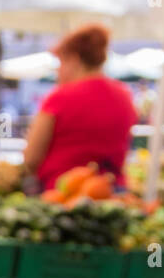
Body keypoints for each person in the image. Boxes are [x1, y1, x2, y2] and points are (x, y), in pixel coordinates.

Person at [23, 24, 137, 193]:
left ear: (74, 60)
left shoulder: (59, 97)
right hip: (112, 192)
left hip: (63, 195)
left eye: (61, 63)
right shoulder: (125, 96)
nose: (58, 71)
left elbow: (31, 158)